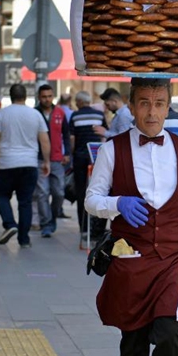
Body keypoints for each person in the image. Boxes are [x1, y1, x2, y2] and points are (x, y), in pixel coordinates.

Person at [85, 77, 178, 356]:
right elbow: (91, 200)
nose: (151, 112)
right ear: (132, 106)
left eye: (158, 103)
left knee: (171, 335)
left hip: (173, 259)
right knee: (134, 343)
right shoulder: (112, 149)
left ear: (168, 108)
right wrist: (117, 203)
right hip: (131, 257)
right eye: (144, 103)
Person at [0, 83, 50, 248]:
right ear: (25, 96)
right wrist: (47, 161)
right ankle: (24, 239)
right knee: (25, 202)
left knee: (0, 195)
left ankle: (10, 224)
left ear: (11, 96)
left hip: (7, 163)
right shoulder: (35, 114)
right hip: (29, 164)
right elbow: (44, 140)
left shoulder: (2, 113)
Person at [70, 90, 107, 249]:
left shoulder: (75, 116)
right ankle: (95, 228)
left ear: (79, 102)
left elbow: (72, 139)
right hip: (96, 158)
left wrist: (72, 154)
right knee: (98, 191)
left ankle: (84, 228)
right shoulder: (99, 116)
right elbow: (104, 135)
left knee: (81, 193)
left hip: (80, 158)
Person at [34, 84, 70, 238]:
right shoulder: (34, 113)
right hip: (39, 160)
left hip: (56, 160)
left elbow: (67, 135)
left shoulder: (60, 113)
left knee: (59, 193)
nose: (47, 99)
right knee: (42, 193)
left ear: (53, 96)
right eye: (44, 96)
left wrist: (67, 153)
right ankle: (46, 223)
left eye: (49, 96)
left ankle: (53, 217)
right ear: (39, 97)